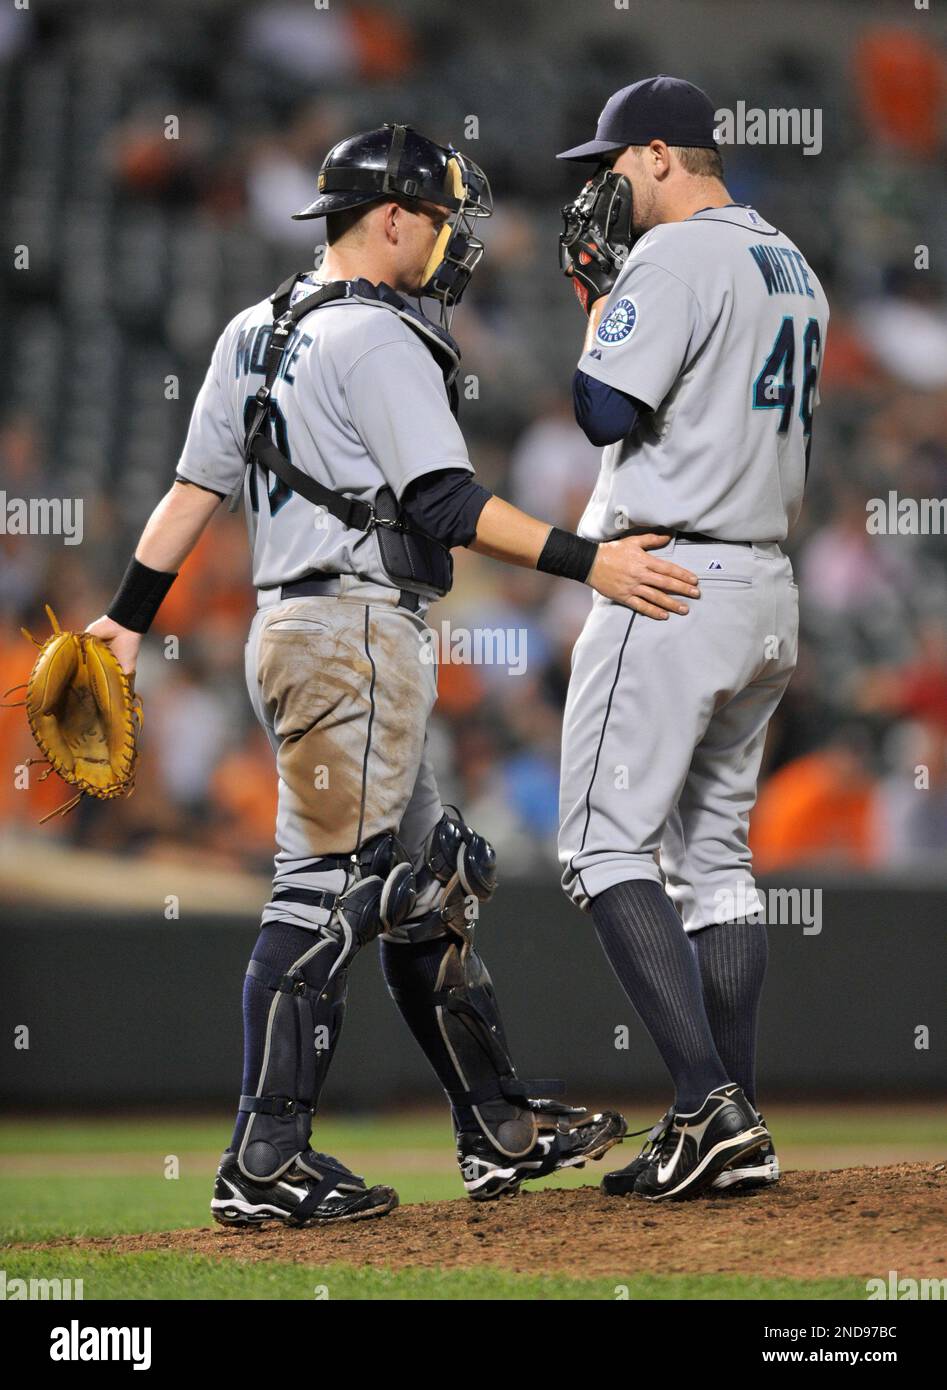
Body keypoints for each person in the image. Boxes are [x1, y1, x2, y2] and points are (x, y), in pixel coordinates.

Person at [86, 123, 703, 1227]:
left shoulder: (251, 329)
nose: (449, 244)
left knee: (435, 882)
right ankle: (265, 1155)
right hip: (352, 633)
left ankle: (498, 1126)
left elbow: (190, 494)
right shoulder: (375, 337)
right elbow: (446, 507)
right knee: (321, 891)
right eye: (439, 221)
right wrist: (587, 559)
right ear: (390, 219)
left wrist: (128, 620)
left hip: (302, 629)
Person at [556, 77, 829, 1200]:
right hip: (764, 583)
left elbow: (600, 410)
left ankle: (702, 1104)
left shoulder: (670, 257)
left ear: (660, 153)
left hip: (667, 576)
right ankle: (732, 1125)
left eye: (614, 163)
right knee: (712, 863)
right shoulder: (793, 262)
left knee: (597, 844)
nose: (605, 184)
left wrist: (592, 291)